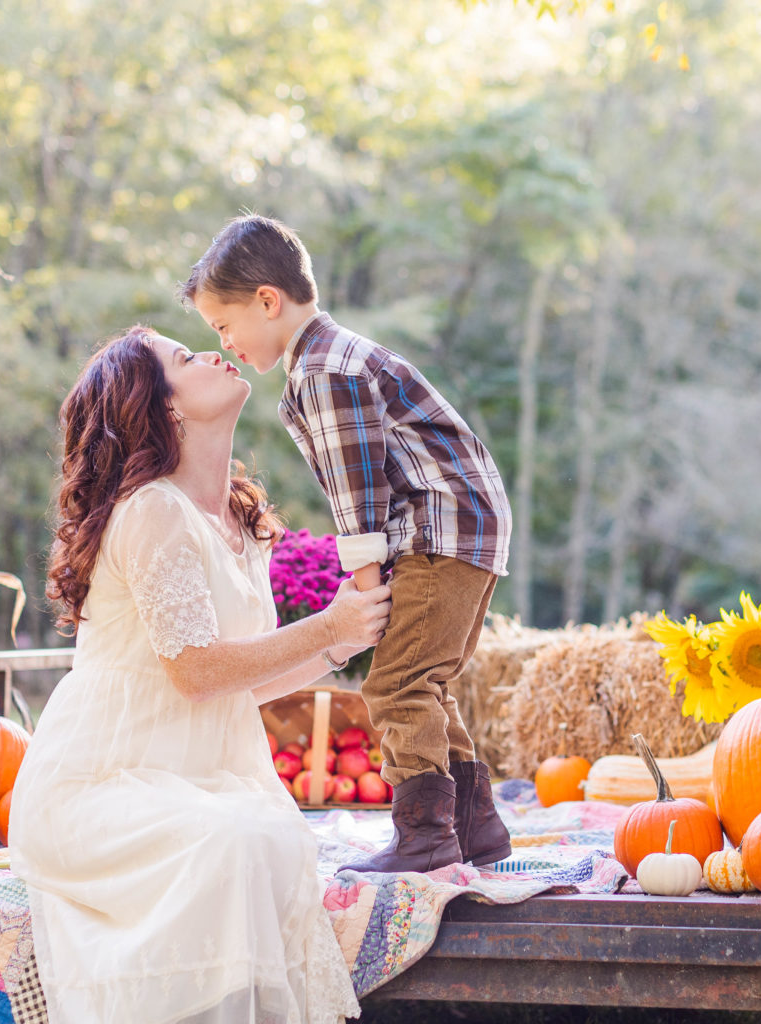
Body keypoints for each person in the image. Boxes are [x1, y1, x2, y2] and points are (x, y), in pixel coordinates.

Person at [11, 325, 388, 1024]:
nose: (215, 354)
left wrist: (340, 646)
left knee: (273, 838)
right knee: (238, 844)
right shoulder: (152, 510)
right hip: (102, 786)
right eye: (185, 358)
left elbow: (235, 684)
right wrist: (329, 625)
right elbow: (195, 671)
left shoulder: (238, 519)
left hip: (200, 776)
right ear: (163, 408)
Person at [180, 215, 513, 874]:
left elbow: (357, 498)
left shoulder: (325, 370)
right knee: (425, 680)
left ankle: (425, 839)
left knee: (395, 687)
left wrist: (364, 587)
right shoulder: (333, 357)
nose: (225, 342)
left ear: (267, 301)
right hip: (459, 525)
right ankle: (475, 828)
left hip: (435, 528)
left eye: (224, 326)